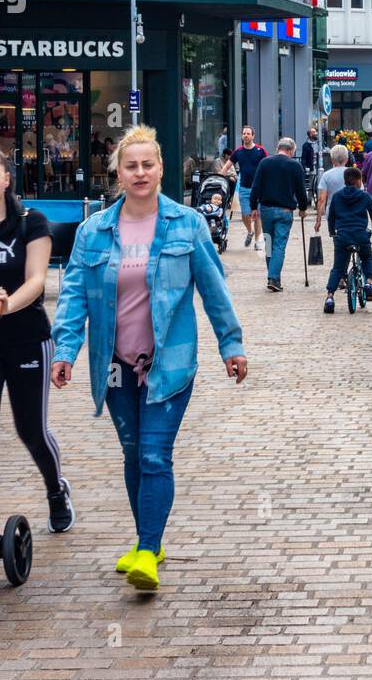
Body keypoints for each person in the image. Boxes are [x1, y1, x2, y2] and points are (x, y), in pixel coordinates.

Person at [51, 126, 246, 592]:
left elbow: (213, 289)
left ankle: (146, 548)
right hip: (114, 363)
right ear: (118, 173)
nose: (140, 173)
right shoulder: (93, 231)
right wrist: (65, 350)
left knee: (156, 456)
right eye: (130, 166)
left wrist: (231, 344)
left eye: (148, 164)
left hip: (169, 363)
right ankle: (149, 542)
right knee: (134, 454)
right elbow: (74, 294)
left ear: (161, 168)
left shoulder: (187, 225)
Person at [0, 145, 74, 533]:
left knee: (30, 429)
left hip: (27, 339)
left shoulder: (29, 222)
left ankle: (56, 490)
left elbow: (37, 281)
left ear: (7, 179)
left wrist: (5, 305)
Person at [249, 138, 308, 292]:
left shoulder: (265, 162)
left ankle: (273, 277)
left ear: (277, 148)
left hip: (266, 209)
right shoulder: (295, 165)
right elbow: (301, 191)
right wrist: (302, 208)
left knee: (269, 243)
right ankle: (273, 278)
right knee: (279, 246)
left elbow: (256, 186)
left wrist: (253, 206)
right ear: (292, 150)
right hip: (285, 211)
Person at [324, 167, 372, 313]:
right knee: (367, 258)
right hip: (360, 235)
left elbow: (331, 217)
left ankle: (330, 297)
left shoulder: (337, 196)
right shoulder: (365, 196)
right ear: (359, 181)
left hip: (342, 236)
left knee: (338, 268)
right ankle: (368, 284)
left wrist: (332, 232)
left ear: (345, 181)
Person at [230, 126, 268, 251]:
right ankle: (250, 231)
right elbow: (227, 166)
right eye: (244, 133)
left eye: (248, 133)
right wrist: (220, 174)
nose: (246, 135)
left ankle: (257, 241)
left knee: (257, 215)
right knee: (245, 214)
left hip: (258, 189)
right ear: (242, 136)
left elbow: (268, 165)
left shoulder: (260, 150)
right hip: (244, 188)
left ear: (253, 136)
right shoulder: (238, 151)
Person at [314, 144, 351, 232]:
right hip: (352, 211)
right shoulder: (353, 173)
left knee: (337, 236)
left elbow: (321, 199)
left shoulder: (327, 175)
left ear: (332, 160)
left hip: (333, 212)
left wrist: (318, 220)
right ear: (347, 159)